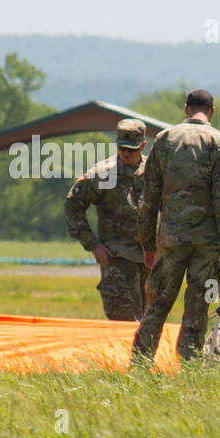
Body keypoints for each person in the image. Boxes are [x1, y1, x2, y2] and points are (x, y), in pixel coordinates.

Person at [132, 89, 220, 360]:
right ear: (212, 111)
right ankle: (188, 370)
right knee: (198, 308)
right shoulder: (219, 141)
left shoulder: (164, 139)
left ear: (186, 108)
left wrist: (147, 243)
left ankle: (140, 364)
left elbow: (149, 199)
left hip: (170, 240)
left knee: (157, 305)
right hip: (207, 244)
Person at [64, 118, 149, 321]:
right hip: (117, 260)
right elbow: (72, 205)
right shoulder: (102, 175)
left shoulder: (155, 171)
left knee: (149, 325)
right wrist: (92, 243)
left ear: (143, 146)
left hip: (149, 262)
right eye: (122, 148)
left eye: (132, 149)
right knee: (122, 321)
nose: (126, 153)